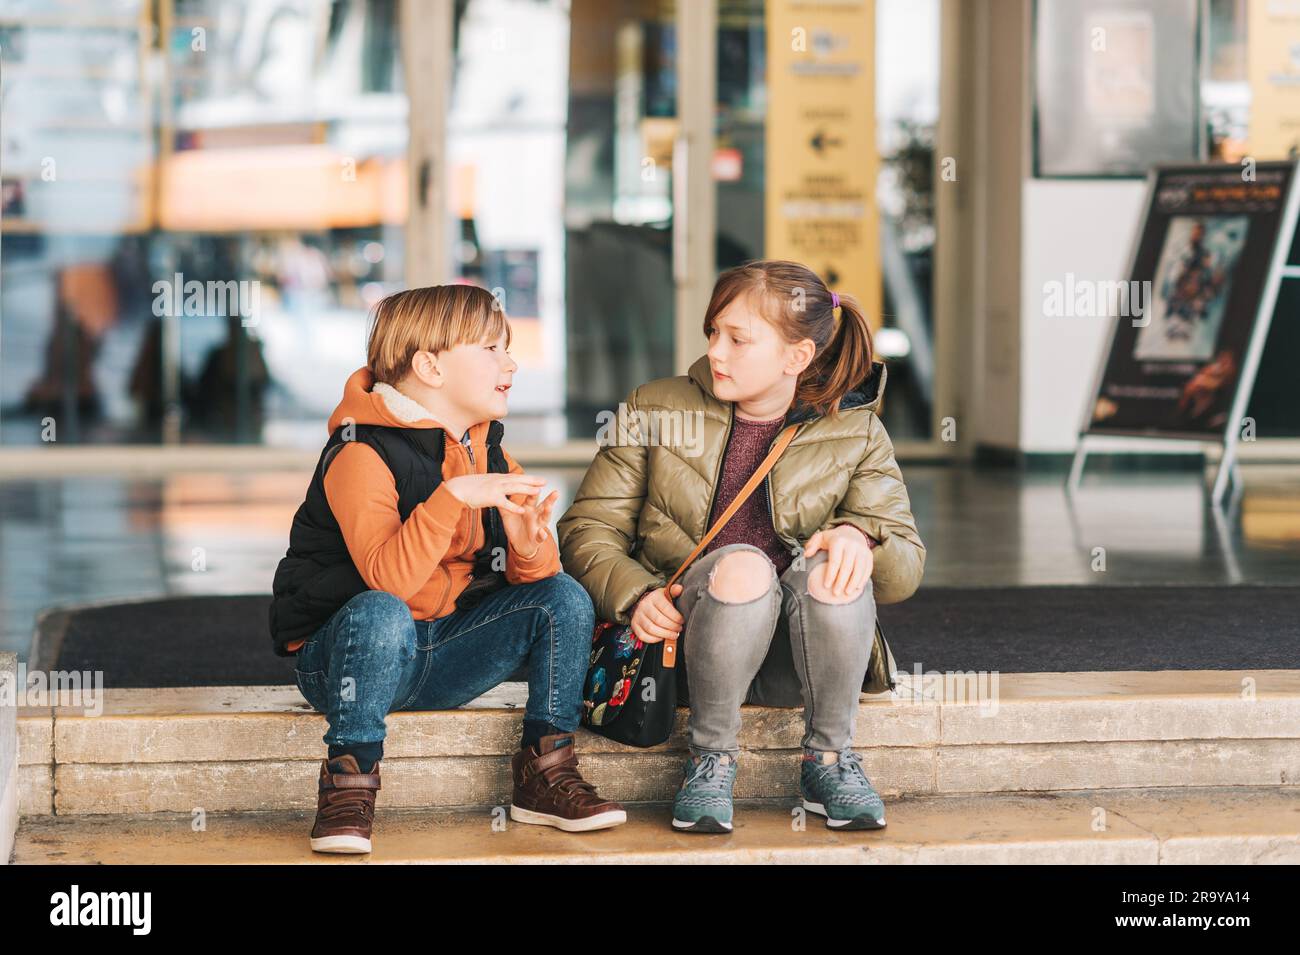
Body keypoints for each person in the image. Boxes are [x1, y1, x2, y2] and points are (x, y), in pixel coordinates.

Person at [558, 260, 925, 833]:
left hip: (800, 660)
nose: (716, 352)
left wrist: (864, 538)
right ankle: (711, 760)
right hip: (684, 650)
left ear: (795, 356)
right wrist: (637, 595)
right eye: (713, 333)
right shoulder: (656, 407)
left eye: (737, 339)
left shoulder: (856, 429)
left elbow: (905, 568)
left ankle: (829, 761)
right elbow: (587, 529)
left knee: (834, 565)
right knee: (744, 568)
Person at [270, 285, 625, 854]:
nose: (510, 363)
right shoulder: (361, 451)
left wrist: (528, 544)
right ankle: (349, 781)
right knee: (383, 610)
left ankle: (545, 772)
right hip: (347, 664)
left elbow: (538, 587)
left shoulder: (485, 449)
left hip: (441, 652)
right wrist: (453, 496)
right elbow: (388, 580)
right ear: (430, 365)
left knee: (563, 596)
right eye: (490, 348)